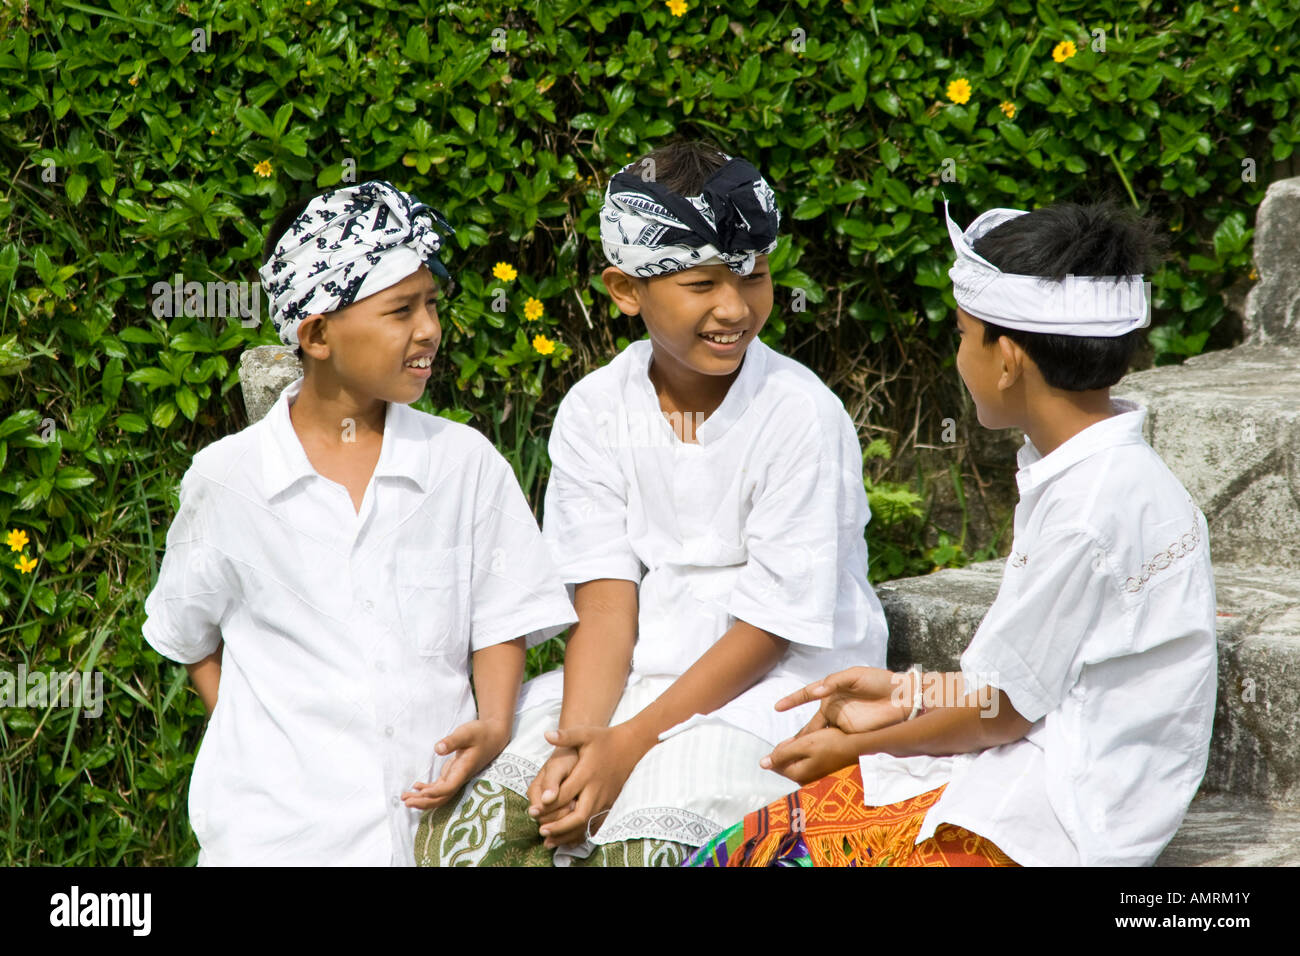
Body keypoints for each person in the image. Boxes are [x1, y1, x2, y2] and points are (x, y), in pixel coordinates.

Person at [685, 198, 1218, 867]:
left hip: (1062, 810)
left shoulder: (1090, 510)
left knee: (759, 851)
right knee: (751, 841)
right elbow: (1029, 684)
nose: (958, 354)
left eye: (964, 334)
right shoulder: (1099, 479)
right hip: (1045, 759)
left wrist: (860, 745)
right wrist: (910, 693)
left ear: (1008, 360)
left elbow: (1004, 712)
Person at [415, 141, 890, 866]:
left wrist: (629, 747)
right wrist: (583, 741)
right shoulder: (594, 409)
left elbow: (769, 628)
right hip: (640, 671)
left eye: (753, 275)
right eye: (702, 284)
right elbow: (606, 602)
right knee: (474, 835)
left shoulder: (801, 416)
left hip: (775, 684)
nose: (735, 307)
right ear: (625, 289)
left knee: (644, 851)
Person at [142, 181, 577, 865]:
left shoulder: (463, 465)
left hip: (427, 834)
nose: (429, 328)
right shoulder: (228, 481)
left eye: (432, 303)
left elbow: (501, 615)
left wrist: (493, 724)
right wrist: (255, 741)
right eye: (401, 309)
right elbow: (188, 633)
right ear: (316, 333)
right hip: (274, 844)